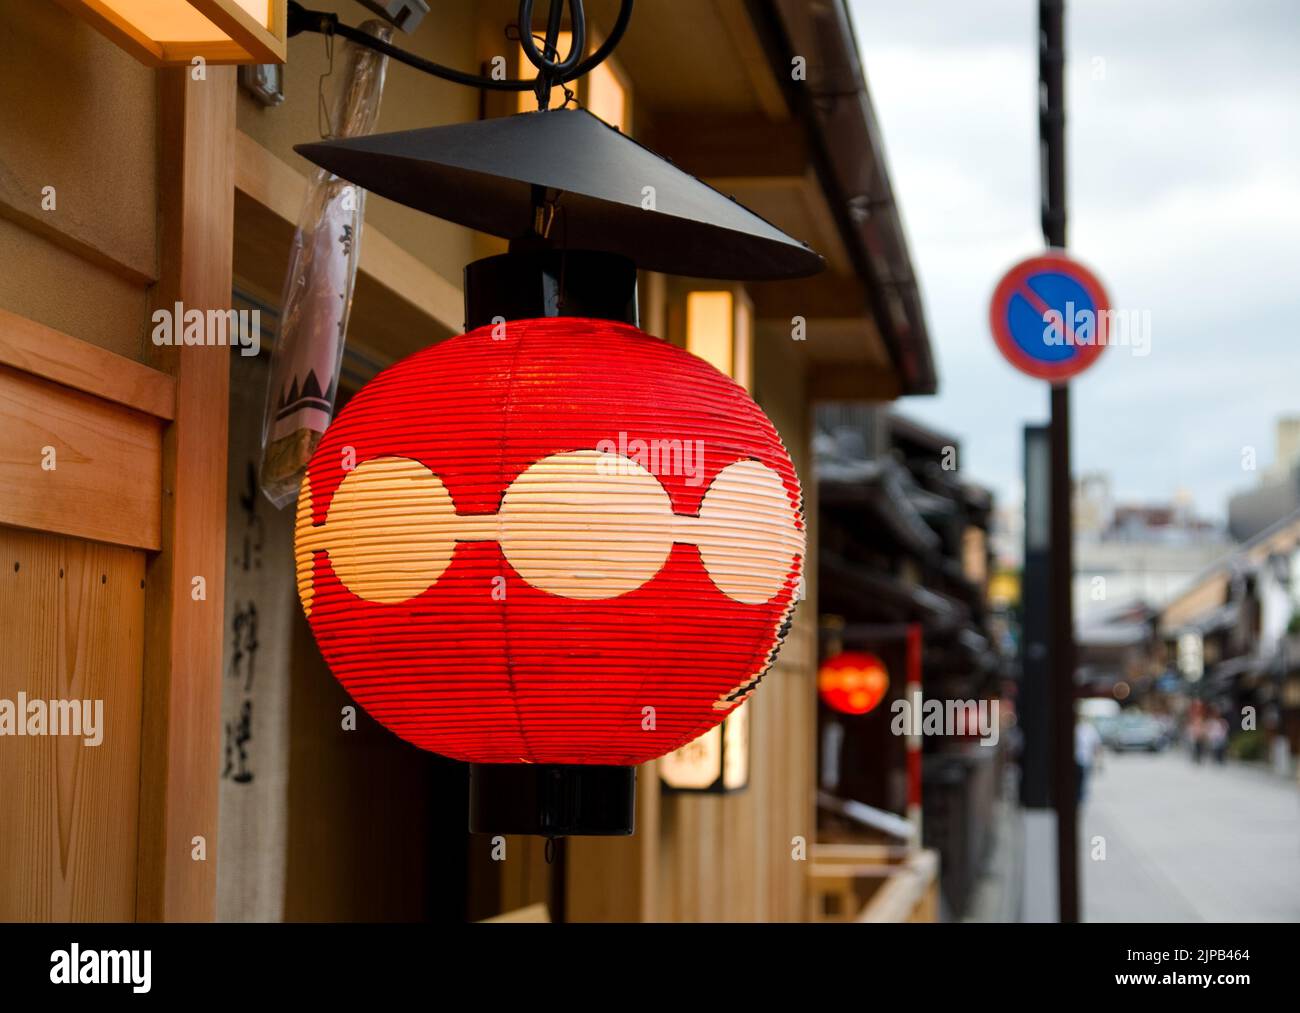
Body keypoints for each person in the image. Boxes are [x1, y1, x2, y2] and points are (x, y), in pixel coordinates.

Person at [1075, 718, 1102, 802]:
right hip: (1078, 760)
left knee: (1083, 783)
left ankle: (1080, 799)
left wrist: (1099, 761)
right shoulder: (1079, 728)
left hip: (1085, 760)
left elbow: (1096, 746)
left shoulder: (1089, 729)